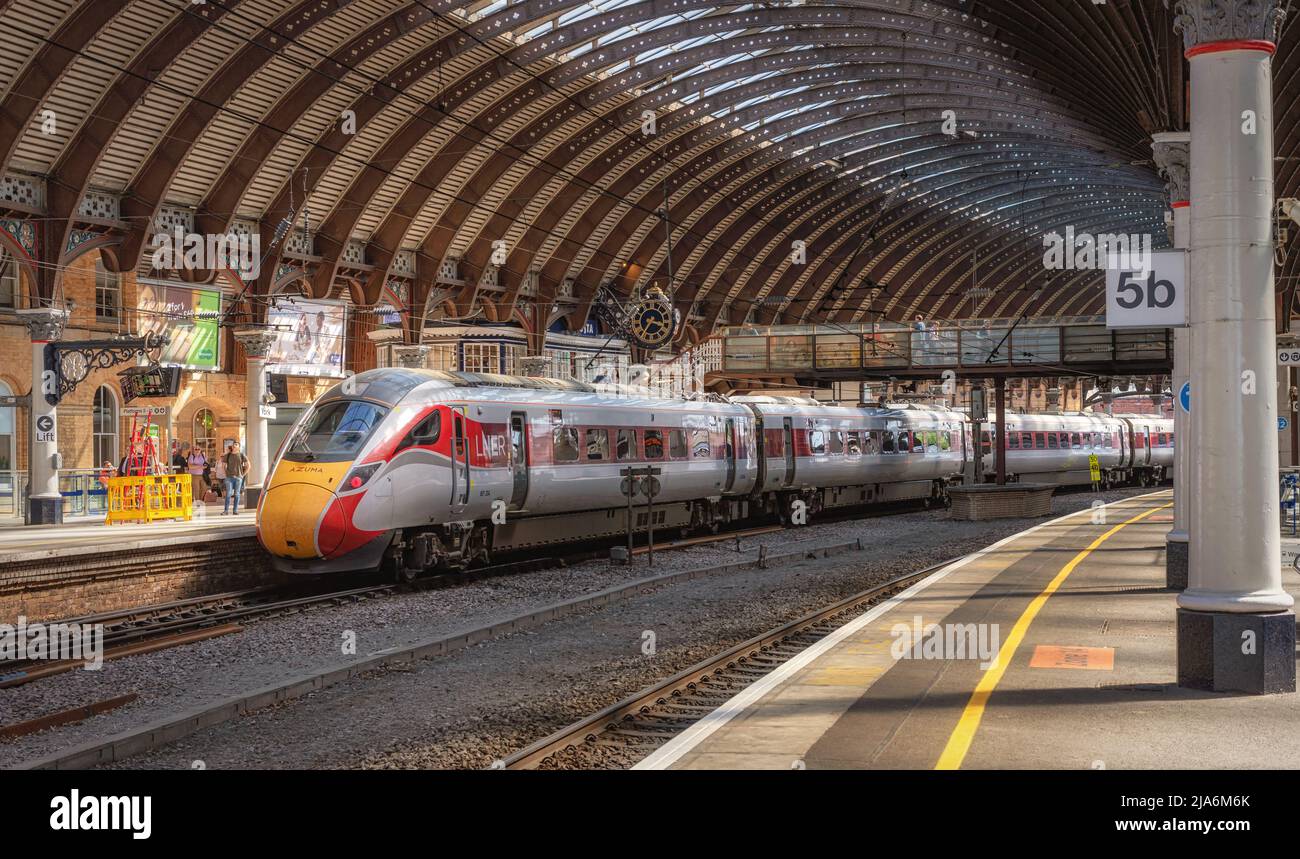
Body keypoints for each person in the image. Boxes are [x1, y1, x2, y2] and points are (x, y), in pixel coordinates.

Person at [221, 442, 250, 515]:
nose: (234, 446)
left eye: (236, 445)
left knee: (237, 494)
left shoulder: (242, 455)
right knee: (228, 494)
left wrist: (242, 475)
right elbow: (223, 466)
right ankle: (226, 511)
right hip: (229, 478)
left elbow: (248, 466)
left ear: (239, 447)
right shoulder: (228, 455)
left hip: (238, 478)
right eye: (233, 445)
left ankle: (235, 510)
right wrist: (226, 475)